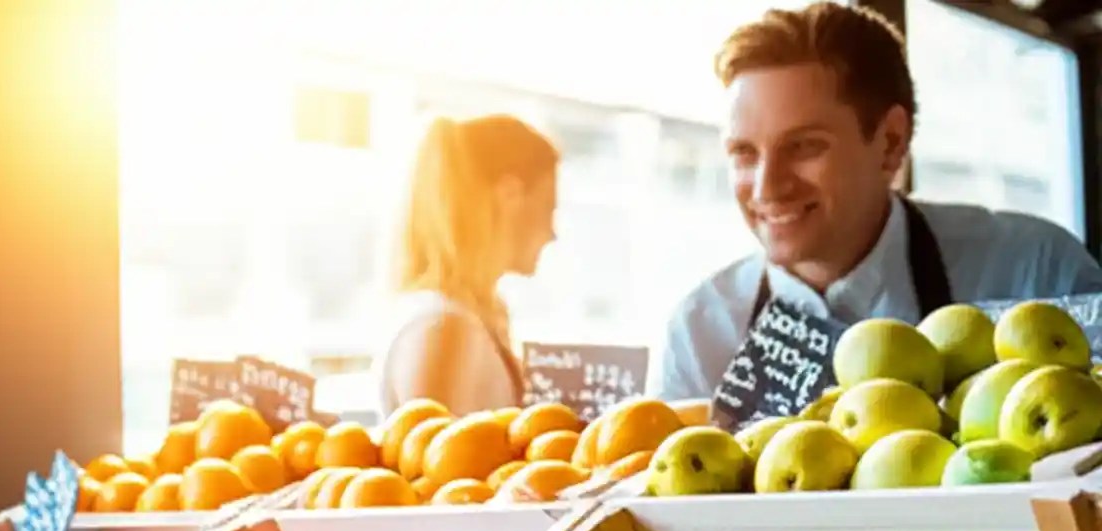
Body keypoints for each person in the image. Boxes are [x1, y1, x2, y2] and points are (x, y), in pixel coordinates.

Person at [653, 1, 1102, 402]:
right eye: (744, 153)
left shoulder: (1037, 274)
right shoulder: (698, 337)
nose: (767, 188)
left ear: (890, 143)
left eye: (804, 146)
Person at [377, 114, 560, 417]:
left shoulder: (462, 319)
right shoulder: (444, 328)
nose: (552, 233)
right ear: (510, 195)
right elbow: (438, 460)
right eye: (548, 208)